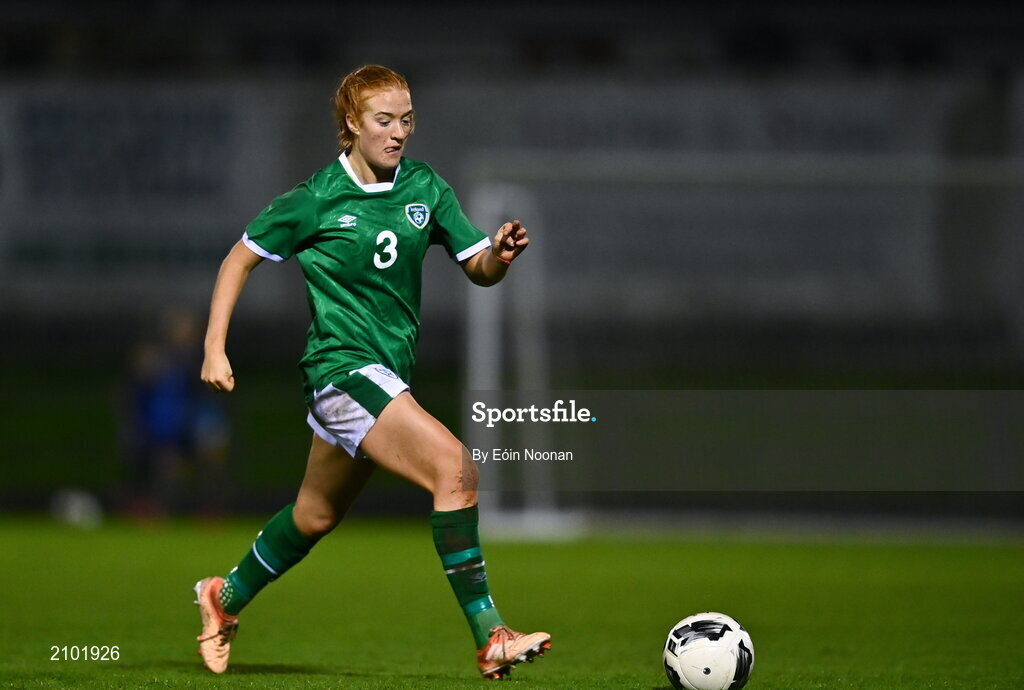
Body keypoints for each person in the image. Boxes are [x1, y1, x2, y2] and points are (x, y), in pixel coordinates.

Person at [193, 64, 550, 680]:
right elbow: (237, 260)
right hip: (341, 371)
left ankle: (221, 598)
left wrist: (501, 255)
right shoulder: (314, 199)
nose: (398, 132)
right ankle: (492, 633)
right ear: (351, 124)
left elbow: (478, 269)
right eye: (383, 120)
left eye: (406, 120)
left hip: (388, 377)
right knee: (456, 468)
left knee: (314, 516)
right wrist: (214, 348)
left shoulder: (425, 188)